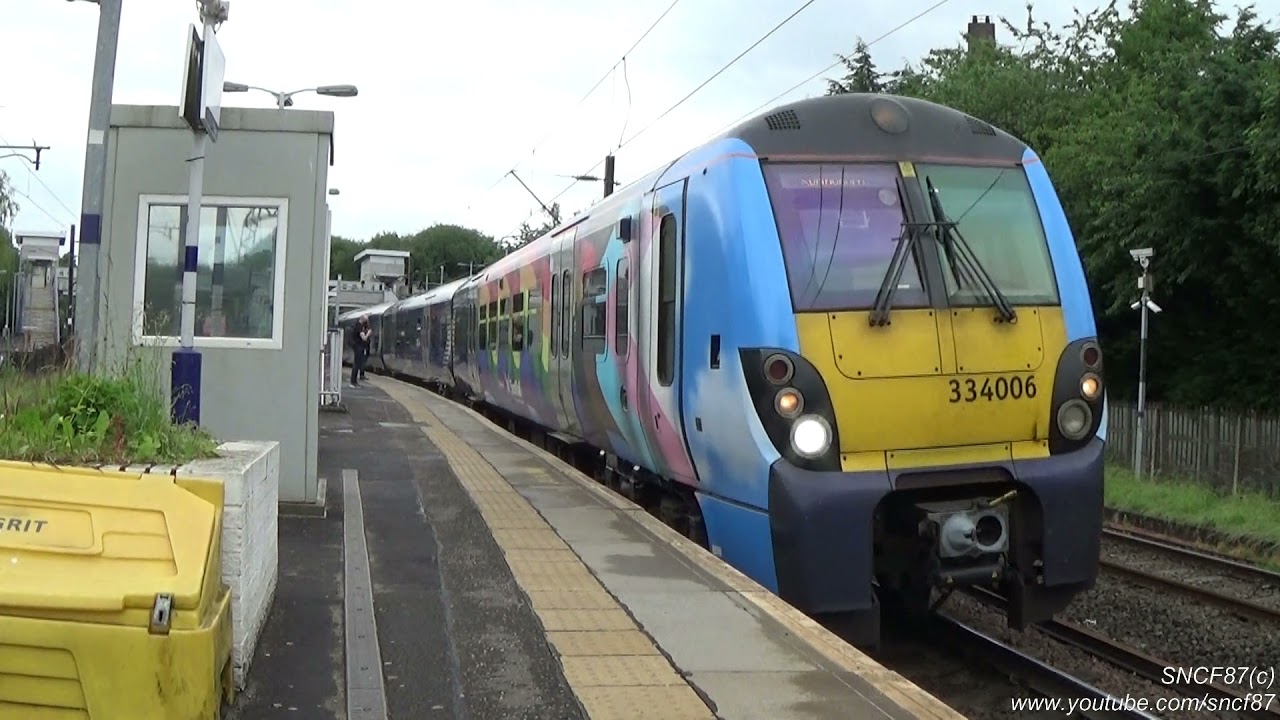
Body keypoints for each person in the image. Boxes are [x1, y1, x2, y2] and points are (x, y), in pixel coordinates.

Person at [351, 315, 372, 387]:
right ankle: (353, 381)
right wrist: (368, 333)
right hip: (358, 347)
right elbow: (364, 338)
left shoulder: (358, 325)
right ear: (363, 320)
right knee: (357, 364)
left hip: (358, 347)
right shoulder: (359, 327)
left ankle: (354, 381)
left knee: (357, 364)